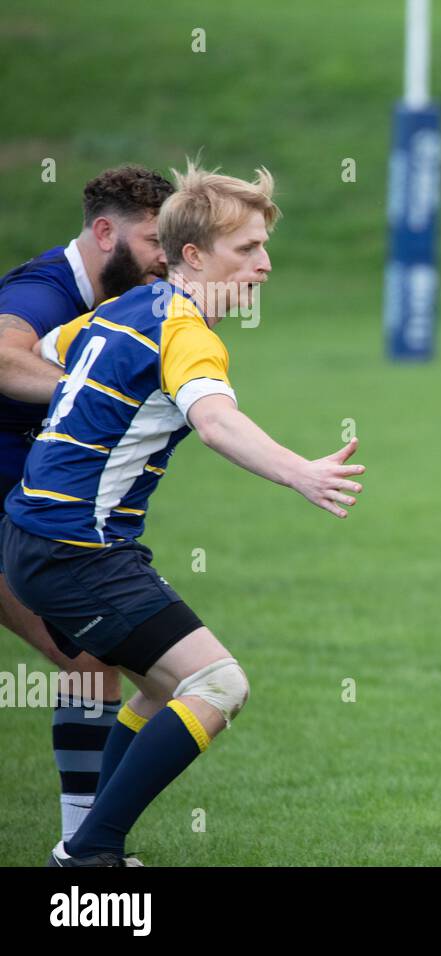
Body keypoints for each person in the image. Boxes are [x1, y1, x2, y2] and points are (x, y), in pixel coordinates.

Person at [0, 161, 366, 866]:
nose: (264, 264)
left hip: (37, 538)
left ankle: (86, 845)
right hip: (76, 550)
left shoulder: (116, 312)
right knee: (219, 685)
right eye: (247, 249)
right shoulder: (186, 330)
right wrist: (302, 473)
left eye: (264, 246)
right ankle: (90, 853)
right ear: (191, 256)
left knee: (165, 685)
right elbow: (217, 422)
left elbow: (50, 356)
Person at [0, 165, 172, 845]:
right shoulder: (44, 290)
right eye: (156, 239)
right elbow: (5, 359)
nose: (167, 255)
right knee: (90, 659)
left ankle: (84, 845)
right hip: (14, 520)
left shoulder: (130, 296)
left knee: (97, 657)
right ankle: (83, 850)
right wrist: (92, 392)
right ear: (105, 232)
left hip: (28, 516)